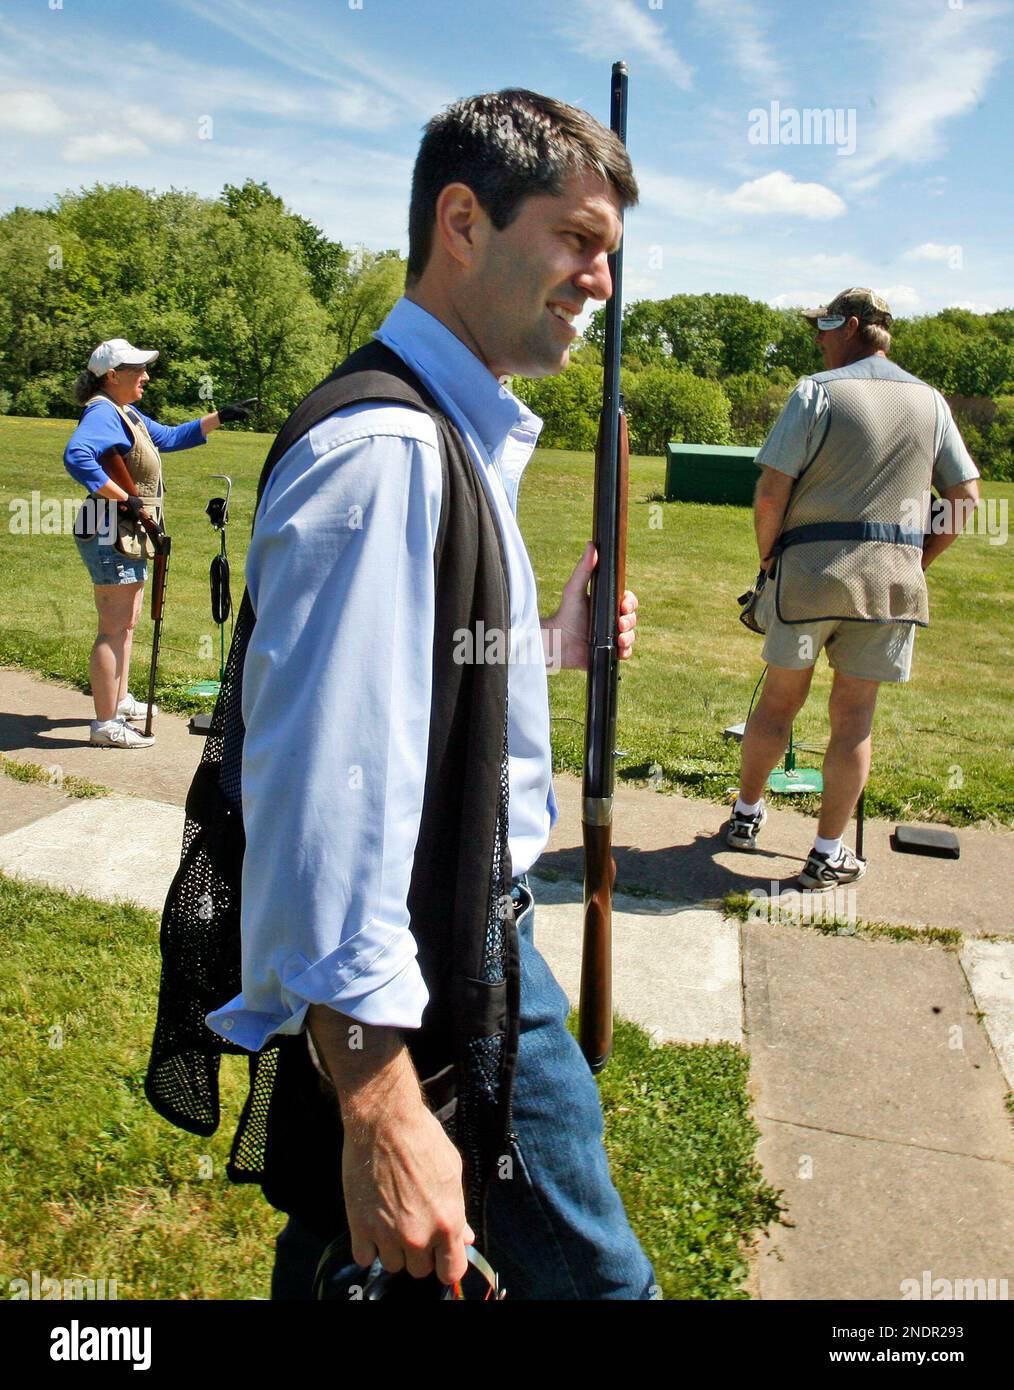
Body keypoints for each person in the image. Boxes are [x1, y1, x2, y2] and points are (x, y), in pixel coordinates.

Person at [150, 88, 653, 1301]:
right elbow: (327, 793)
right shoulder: (387, 452)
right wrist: (378, 1100)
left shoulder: (440, 428)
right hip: (441, 966)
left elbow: (408, 695)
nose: (600, 281)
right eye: (578, 240)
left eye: (611, 255)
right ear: (464, 221)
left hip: (449, 941)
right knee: (600, 1291)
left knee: (354, 1259)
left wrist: (536, 648)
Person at [725, 288, 980, 889]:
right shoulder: (932, 401)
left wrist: (768, 557)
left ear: (855, 327)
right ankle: (826, 853)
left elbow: (770, 492)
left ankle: (744, 817)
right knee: (854, 719)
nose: (818, 337)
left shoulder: (817, 391)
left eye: (825, 326)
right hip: (888, 584)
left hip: (807, 578)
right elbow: (965, 501)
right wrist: (916, 559)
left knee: (779, 703)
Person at [63, 338, 253, 748]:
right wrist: (124, 497)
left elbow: (168, 437)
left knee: (126, 621)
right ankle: (105, 724)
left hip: (123, 530)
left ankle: (119, 699)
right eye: (138, 369)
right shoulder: (102, 412)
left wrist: (221, 416)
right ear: (112, 376)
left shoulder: (125, 412)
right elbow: (77, 456)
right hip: (112, 530)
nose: (146, 376)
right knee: (114, 627)